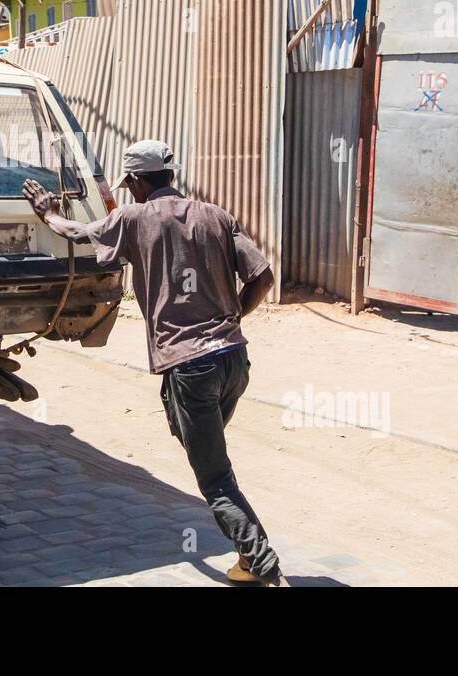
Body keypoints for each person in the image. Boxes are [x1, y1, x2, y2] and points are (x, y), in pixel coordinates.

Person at [23, 139, 287, 587]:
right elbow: (263, 276)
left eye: (130, 184)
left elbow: (80, 234)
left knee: (215, 478)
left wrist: (47, 212)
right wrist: (231, 317)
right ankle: (248, 550)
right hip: (233, 360)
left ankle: (261, 563)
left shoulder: (134, 218)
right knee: (196, 438)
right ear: (172, 175)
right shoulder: (215, 215)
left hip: (189, 366)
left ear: (138, 182)